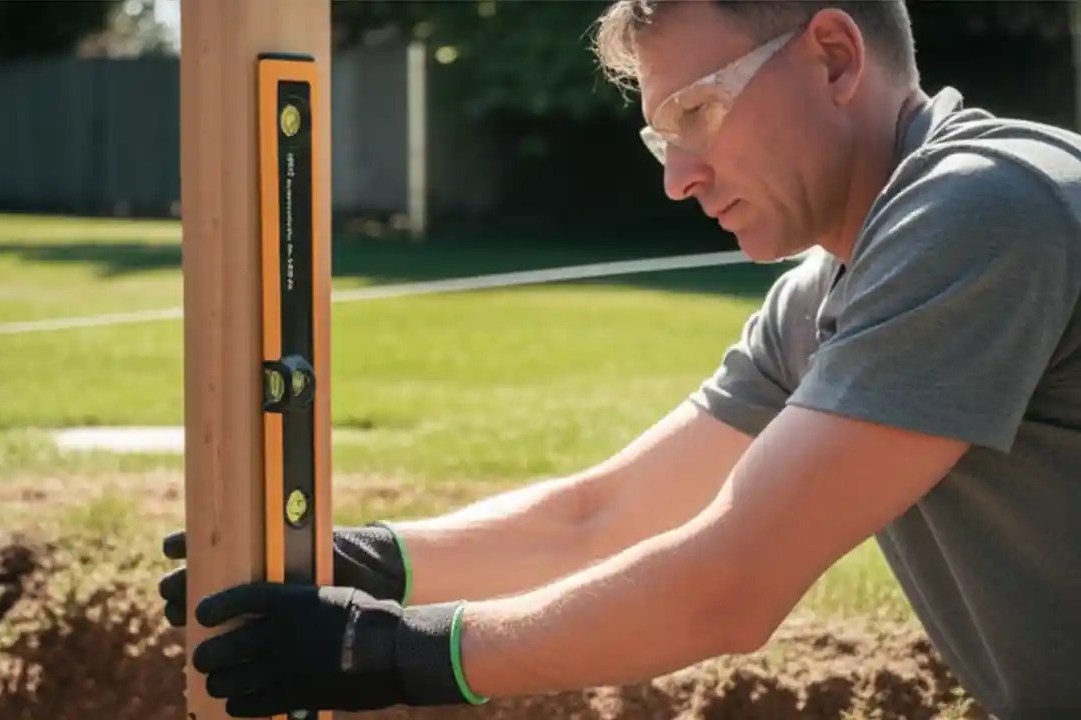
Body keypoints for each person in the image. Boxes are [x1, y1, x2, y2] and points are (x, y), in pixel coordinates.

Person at [160, 1, 1081, 717]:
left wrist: (396, 652)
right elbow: (604, 516)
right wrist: (360, 564)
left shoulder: (983, 207)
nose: (678, 176)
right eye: (662, 134)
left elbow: (729, 586)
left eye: (699, 111)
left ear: (835, 56)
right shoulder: (829, 291)